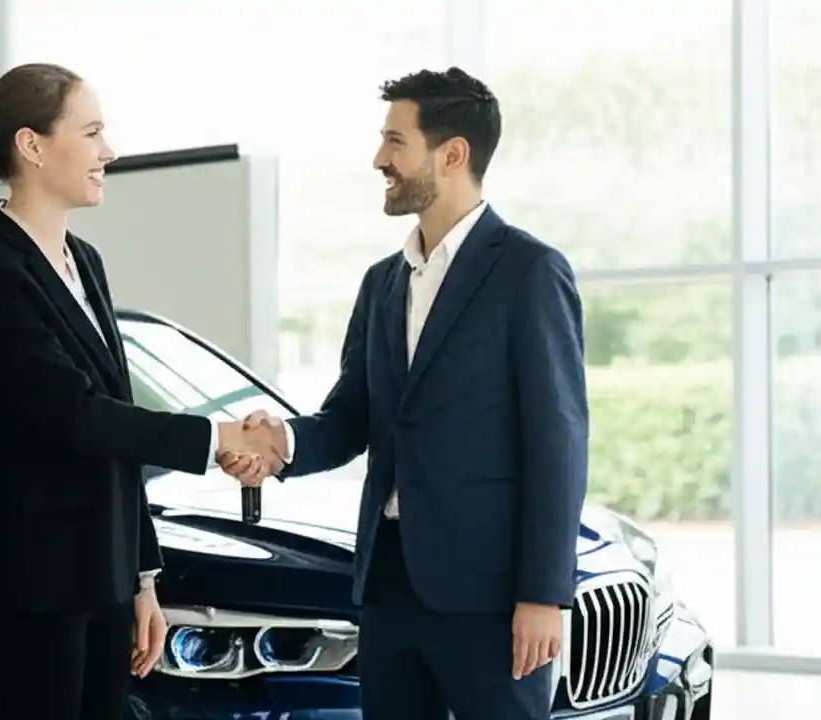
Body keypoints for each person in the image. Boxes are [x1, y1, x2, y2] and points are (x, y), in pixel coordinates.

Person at [233, 67, 589, 720]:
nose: (379, 160)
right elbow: (351, 417)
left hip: (489, 596)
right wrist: (281, 443)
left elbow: (557, 444)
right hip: (388, 584)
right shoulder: (383, 283)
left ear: (452, 154)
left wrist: (544, 595)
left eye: (395, 142)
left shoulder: (529, 272)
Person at [0, 62, 275, 720]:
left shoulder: (84, 262)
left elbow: (114, 427)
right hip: (31, 586)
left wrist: (142, 577)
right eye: (91, 133)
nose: (107, 153)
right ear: (32, 146)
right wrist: (217, 438)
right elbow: (75, 417)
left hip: (101, 576)